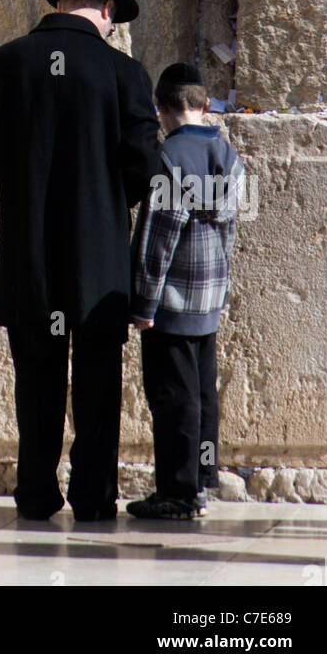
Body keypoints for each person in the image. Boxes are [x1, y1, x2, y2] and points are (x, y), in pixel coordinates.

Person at [0, 0, 161, 522]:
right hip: (98, 263)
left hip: (30, 257)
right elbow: (146, 169)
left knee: (37, 380)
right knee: (97, 386)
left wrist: (30, 172)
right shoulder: (126, 75)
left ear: (58, 4)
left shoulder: (4, 63)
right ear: (106, 10)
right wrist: (105, 194)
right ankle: (94, 498)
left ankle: (36, 495)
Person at [127, 62, 244, 522]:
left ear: (162, 108)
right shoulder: (229, 156)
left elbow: (160, 237)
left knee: (173, 395)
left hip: (172, 300)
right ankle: (201, 476)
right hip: (209, 296)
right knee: (202, 390)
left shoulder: (168, 161)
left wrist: (143, 304)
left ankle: (176, 491)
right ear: (203, 104)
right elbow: (230, 229)